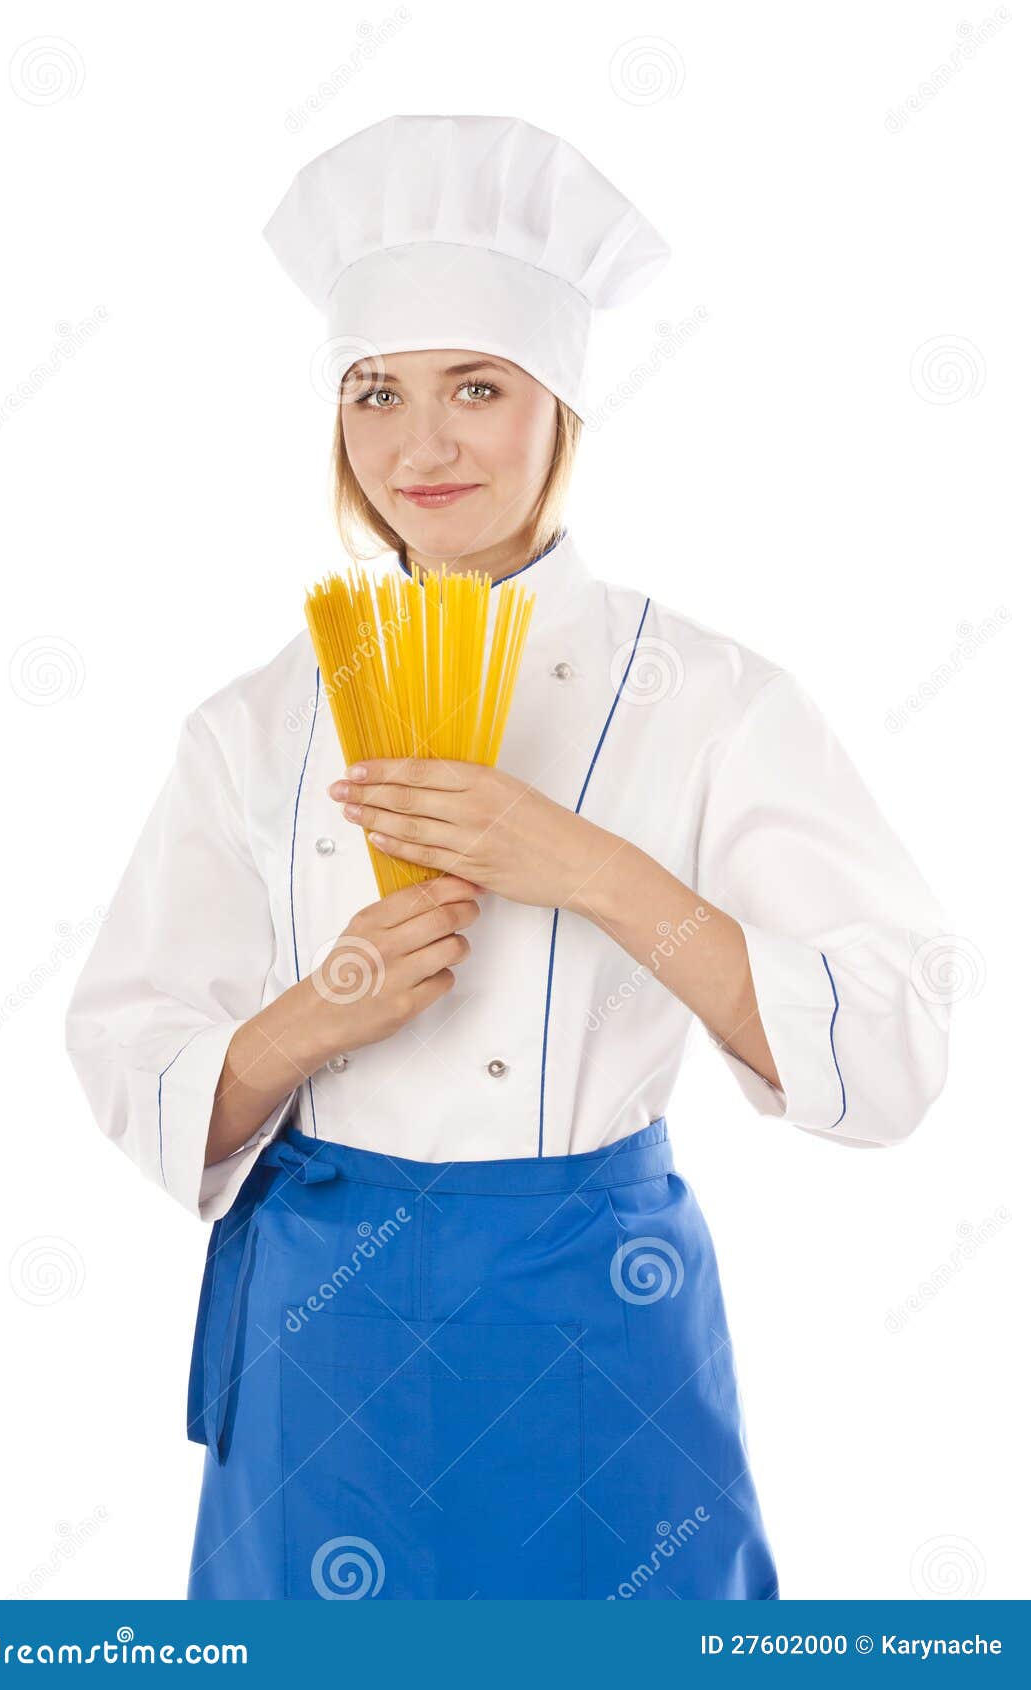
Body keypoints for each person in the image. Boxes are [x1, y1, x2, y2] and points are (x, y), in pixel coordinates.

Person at [64, 114, 952, 1601]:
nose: (421, 445)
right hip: (319, 1342)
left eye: (476, 385)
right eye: (376, 393)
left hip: (598, 1315)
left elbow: (895, 1050)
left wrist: (593, 867)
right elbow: (126, 1045)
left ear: (564, 406)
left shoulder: (714, 698)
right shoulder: (254, 721)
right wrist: (320, 1015)